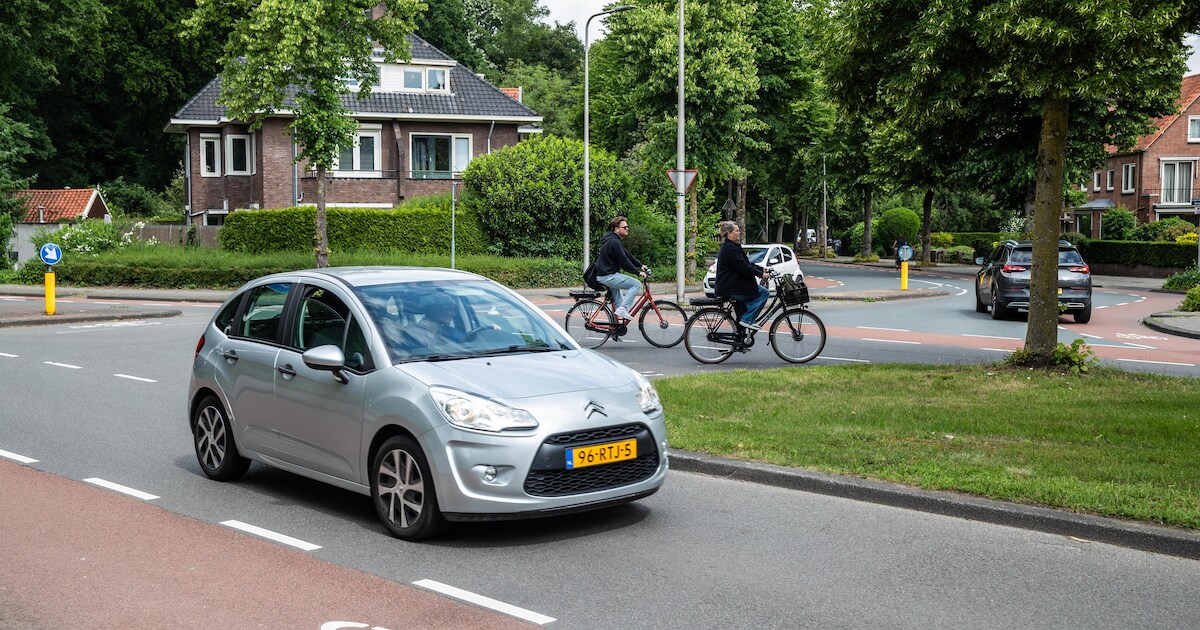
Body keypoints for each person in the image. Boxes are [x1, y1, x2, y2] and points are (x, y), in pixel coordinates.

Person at [714, 221, 770, 331]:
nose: (739, 232)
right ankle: (748, 319)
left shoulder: (732, 247)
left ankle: (739, 342)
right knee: (764, 293)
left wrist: (762, 269)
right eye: (737, 230)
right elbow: (743, 267)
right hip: (731, 288)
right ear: (729, 234)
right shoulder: (731, 249)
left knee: (742, 312)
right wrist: (761, 274)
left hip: (733, 286)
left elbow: (746, 263)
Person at [595, 215, 648, 321]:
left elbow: (627, 255)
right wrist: (637, 273)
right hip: (608, 276)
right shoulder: (614, 242)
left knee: (619, 303)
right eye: (624, 227)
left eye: (627, 227)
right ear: (616, 229)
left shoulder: (614, 240)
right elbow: (624, 261)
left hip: (606, 275)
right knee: (636, 284)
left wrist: (640, 265)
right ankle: (623, 309)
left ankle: (616, 331)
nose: (627, 229)